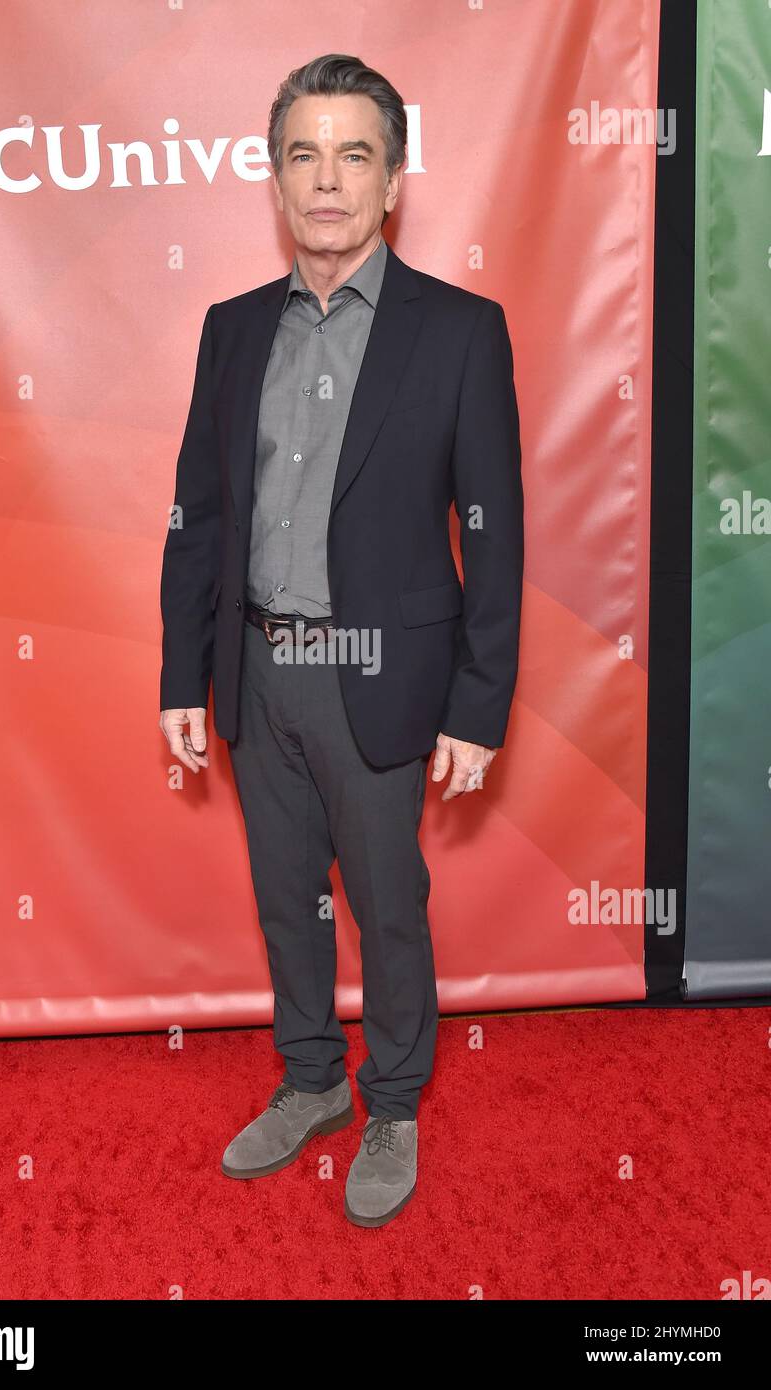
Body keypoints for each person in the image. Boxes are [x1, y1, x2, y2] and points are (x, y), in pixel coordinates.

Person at [159, 53, 523, 1228]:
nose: (328, 180)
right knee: (284, 897)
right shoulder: (229, 332)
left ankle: (396, 1101)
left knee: (388, 901)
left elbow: (495, 535)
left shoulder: (463, 332)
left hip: (382, 671)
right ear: (274, 183)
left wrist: (479, 702)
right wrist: (183, 670)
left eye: (353, 154)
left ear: (393, 179)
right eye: (303, 155)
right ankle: (312, 1078)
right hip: (259, 667)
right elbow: (198, 513)